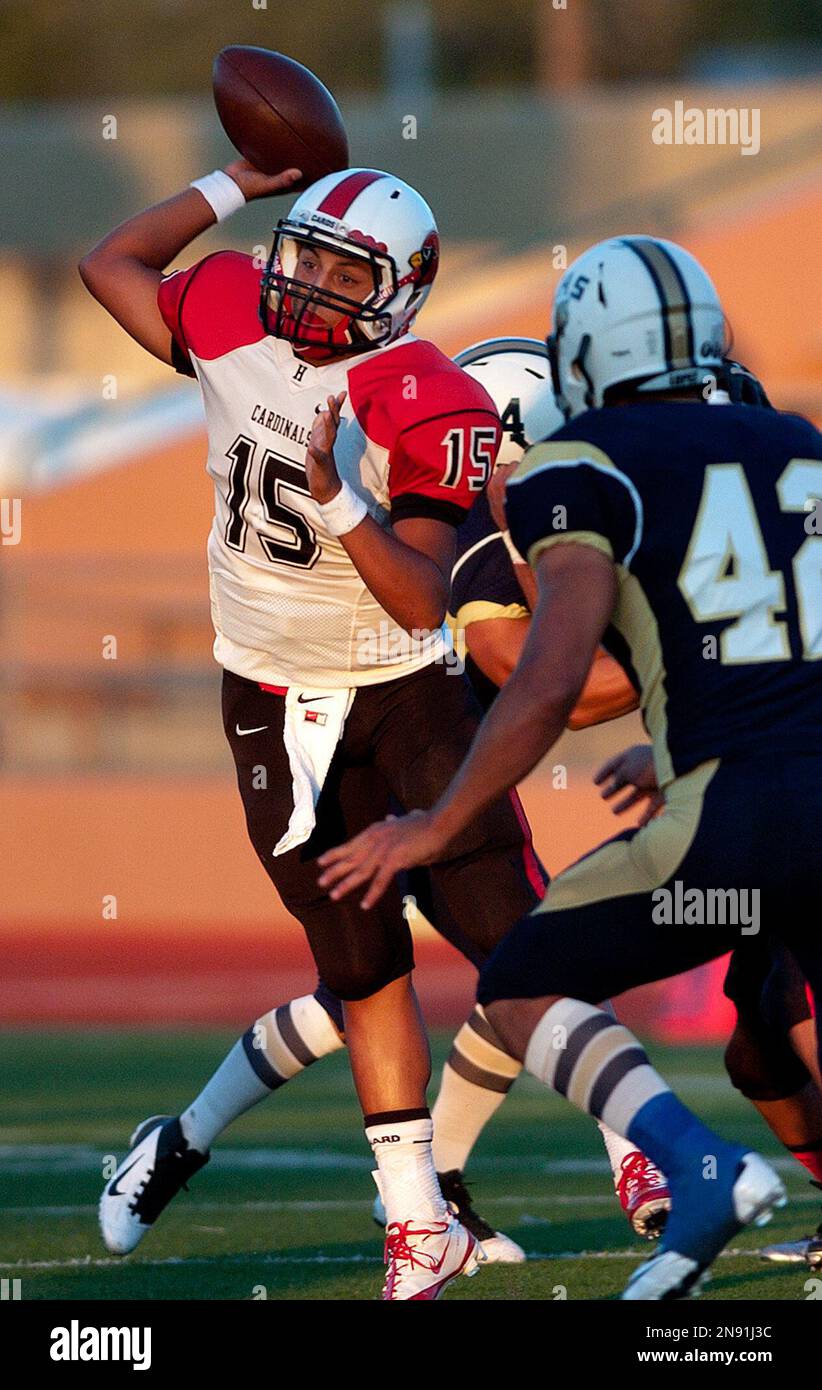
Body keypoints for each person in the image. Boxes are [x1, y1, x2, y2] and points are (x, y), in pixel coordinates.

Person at [95, 335, 668, 1274]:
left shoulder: (525, 512)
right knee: (392, 974)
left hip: (438, 756)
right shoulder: (482, 522)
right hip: (379, 748)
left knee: (435, 974)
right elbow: (511, 666)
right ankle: (629, 1155)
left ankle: (222, 1148)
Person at [317, 234, 822, 1298]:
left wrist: (438, 824)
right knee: (776, 1030)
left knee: (523, 980)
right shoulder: (796, 440)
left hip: (738, 813)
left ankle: (699, 1168)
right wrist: (681, 726)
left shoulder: (579, 465)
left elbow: (542, 680)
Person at [81, 158, 543, 1300]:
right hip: (270, 690)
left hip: (403, 685)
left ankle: (658, 1155)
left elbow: (419, 601)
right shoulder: (236, 294)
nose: (308, 284)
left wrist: (339, 497)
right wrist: (228, 178)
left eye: (344, 270)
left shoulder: (425, 390)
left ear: (401, 291)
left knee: (521, 940)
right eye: (305, 254)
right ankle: (418, 1223)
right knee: (360, 960)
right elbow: (110, 264)